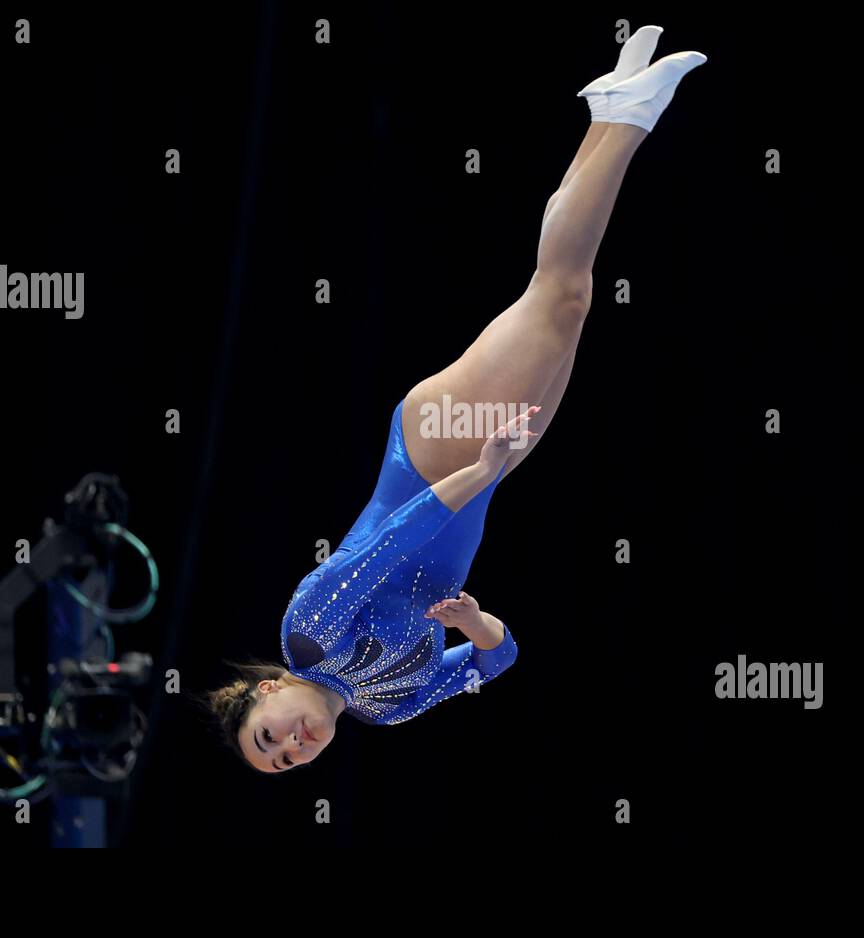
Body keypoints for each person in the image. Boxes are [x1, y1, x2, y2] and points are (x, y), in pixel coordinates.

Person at [205, 26, 707, 774]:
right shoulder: (391, 705)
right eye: (283, 761)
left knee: (558, 292)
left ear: (270, 690)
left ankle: (632, 116)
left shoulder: (308, 635)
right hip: (480, 468)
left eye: (267, 734)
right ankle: (610, 108)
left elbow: (393, 544)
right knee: (570, 297)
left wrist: (481, 466)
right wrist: (479, 626)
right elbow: (496, 665)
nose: (291, 744)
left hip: (435, 454)